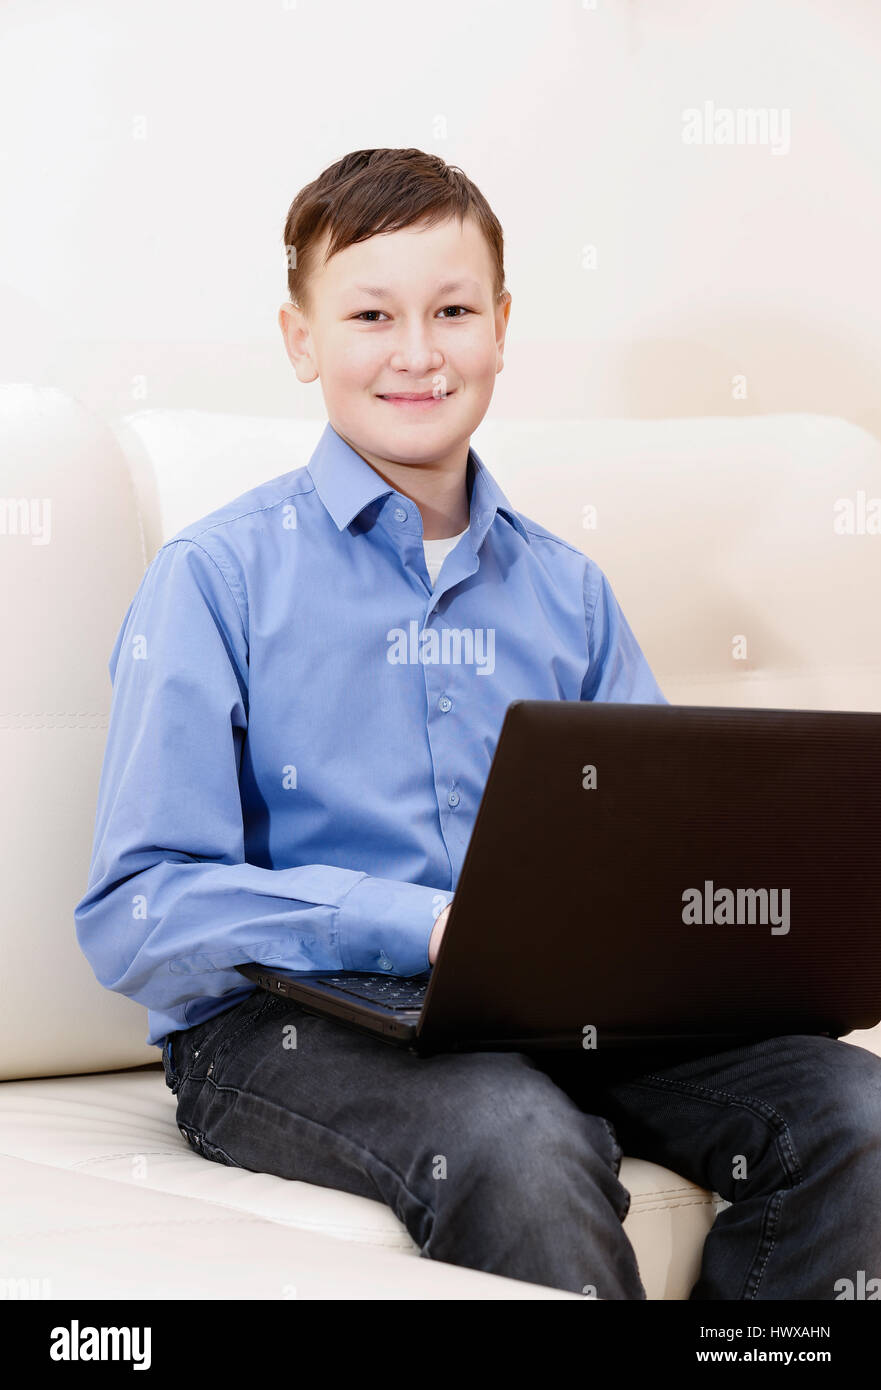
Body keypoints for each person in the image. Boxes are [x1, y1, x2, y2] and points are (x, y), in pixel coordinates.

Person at [75, 148, 881, 1299]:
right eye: (369, 314)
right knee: (515, 1136)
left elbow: (655, 856)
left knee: (857, 1109)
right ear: (301, 339)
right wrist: (424, 923)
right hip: (284, 1028)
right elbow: (135, 904)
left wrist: (744, 934)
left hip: (566, 1014)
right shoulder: (214, 580)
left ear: (500, 326)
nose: (416, 351)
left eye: (452, 310)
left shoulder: (567, 590)